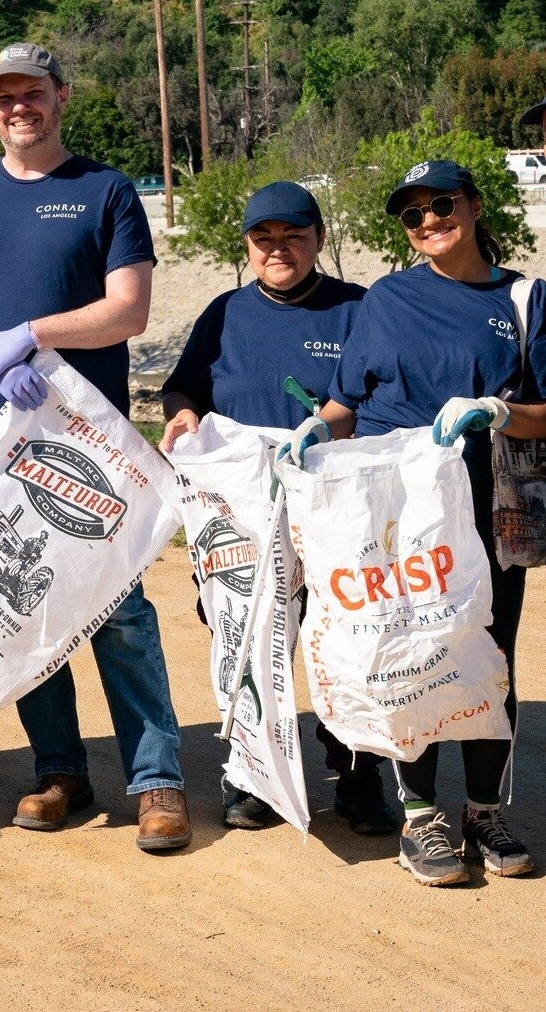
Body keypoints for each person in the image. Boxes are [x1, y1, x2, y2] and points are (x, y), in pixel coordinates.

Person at [0, 42, 190, 851]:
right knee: (18, 599)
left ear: (60, 96)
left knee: (117, 608)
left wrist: (28, 335)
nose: (17, 107)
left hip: (82, 435)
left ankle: (157, 779)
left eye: (30, 92)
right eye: (3, 96)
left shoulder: (103, 190)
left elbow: (128, 309)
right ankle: (59, 770)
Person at [283, 159, 546, 886]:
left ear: (473, 204)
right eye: (412, 213)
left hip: (486, 509)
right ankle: (422, 818)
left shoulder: (525, 300)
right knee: (409, 653)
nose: (428, 220)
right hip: (396, 515)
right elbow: (346, 399)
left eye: (441, 203)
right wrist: (313, 428)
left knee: (484, 654)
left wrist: (496, 410)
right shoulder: (387, 299)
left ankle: (485, 810)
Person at [161, 181, 397, 834]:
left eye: (293, 235)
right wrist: (180, 413)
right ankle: (251, 773)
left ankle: (356, 770)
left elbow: (383, 393)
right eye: (263, 238)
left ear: (319, 238)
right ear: (246, 245)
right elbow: (182, 386)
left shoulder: (358, 308)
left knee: (348, 636)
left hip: (335, 505)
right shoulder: (224, 312)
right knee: (246, 637)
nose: (278, 249)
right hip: (240, 511)